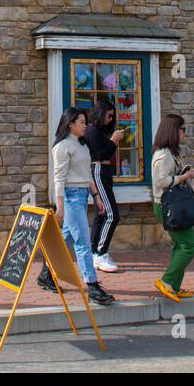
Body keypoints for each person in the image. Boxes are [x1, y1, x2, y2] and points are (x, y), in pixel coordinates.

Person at [39, 107, 115, 305]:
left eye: (85, 121)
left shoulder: (82, 145)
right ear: (70, 123)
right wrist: (60, 206)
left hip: (82, 195)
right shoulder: (62, 146)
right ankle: (92, 285)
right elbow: (59, 178)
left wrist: (96, 196)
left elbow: (87, 174)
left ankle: (46, 273)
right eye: (81, 122)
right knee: (82, 241)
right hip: (71, 197)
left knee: (66, 239)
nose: (85, 125)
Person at [151, 113, 194, 303]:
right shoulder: (164, 155)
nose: (184, 133)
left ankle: (174, 286)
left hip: (171, 205)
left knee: (180, 245)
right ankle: (167, 281)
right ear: (173, 131)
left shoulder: (171, 154)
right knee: (191, 244)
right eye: (182, 129)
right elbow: (160, 181)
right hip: (167, 205)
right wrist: (182, 178)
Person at [85, 97, 125, 273]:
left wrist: (112, 142)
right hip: (99, 171)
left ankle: (94, 252)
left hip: (104, 172)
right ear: (100, 114)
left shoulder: (99, 132)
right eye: (108, 116)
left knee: (101, 214)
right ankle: (101, 253)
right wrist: (113, 141)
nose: (110, 119)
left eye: (112, 116)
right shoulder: (92, 131)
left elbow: (106, 153)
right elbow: (102, 155)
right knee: (111, 214)